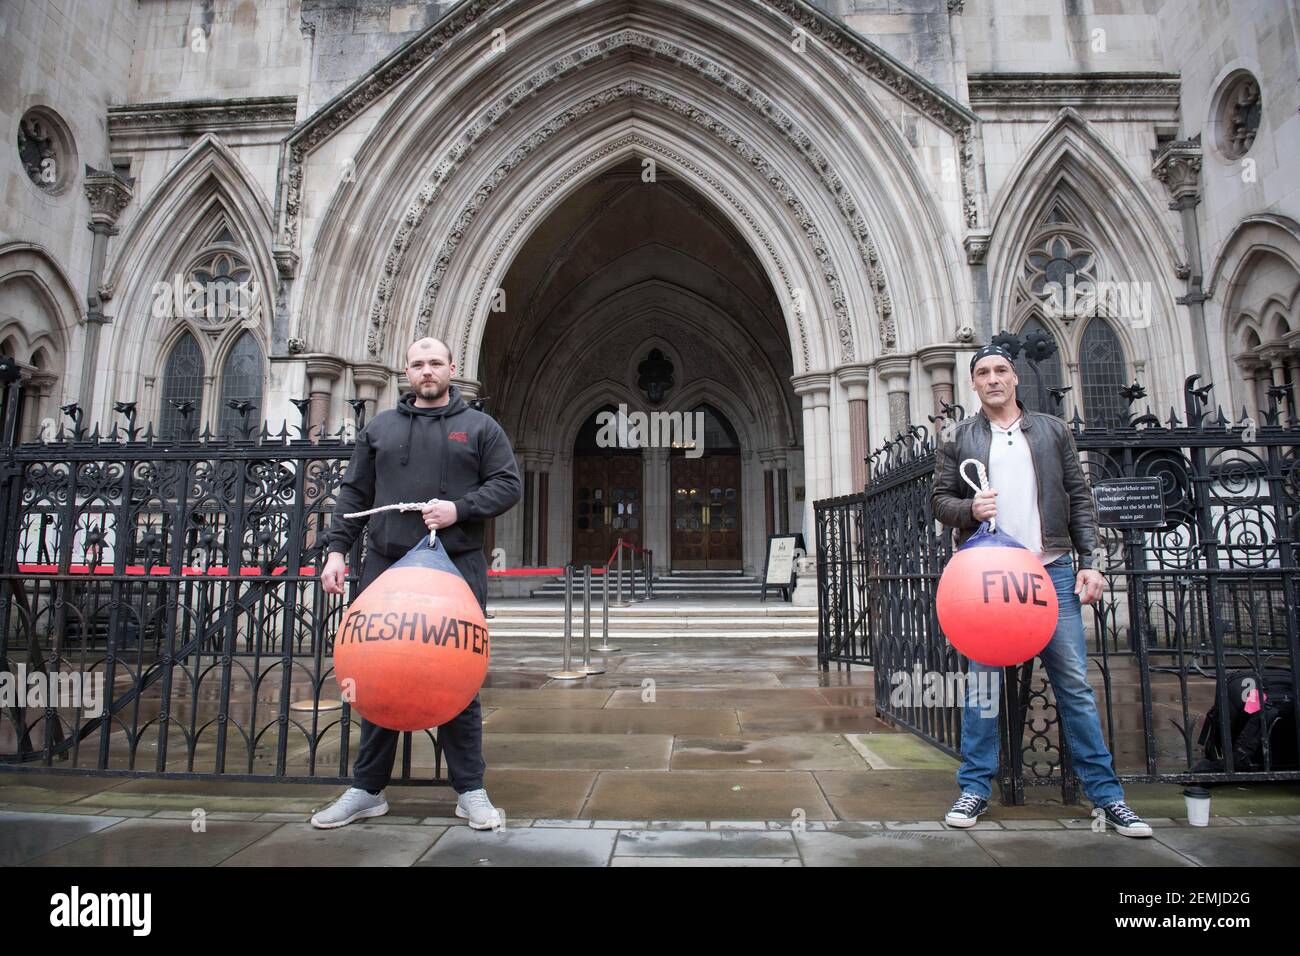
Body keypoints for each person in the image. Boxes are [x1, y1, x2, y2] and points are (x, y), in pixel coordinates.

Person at [930, 344, 1152, 837]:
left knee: (1073, 684)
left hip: (1050, 572)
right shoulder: (960, 437)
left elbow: (1078, 498)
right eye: (983, 372)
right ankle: (974, 788)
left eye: (1001, 371)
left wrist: (1091, 564)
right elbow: (940, 501)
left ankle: (1109, 797)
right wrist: (972, 511)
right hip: (989, 577)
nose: (993, 379)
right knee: (985, 688)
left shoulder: (1052, 431)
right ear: (973, 383)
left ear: (1015, 378)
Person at [310, 336, 521, 830]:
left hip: (456, 566)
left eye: (435, 363)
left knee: (458, 678)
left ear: (452, 368)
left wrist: (459, 509)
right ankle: (366, 789)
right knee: (376, 676)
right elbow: (354, 494)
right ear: (406, 373)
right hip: (386, 566)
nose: (426, 371)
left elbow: (508, 484)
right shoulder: (379, 429)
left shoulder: (480, 428)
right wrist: (337, 551)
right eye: (417, 364)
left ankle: (470, 790)